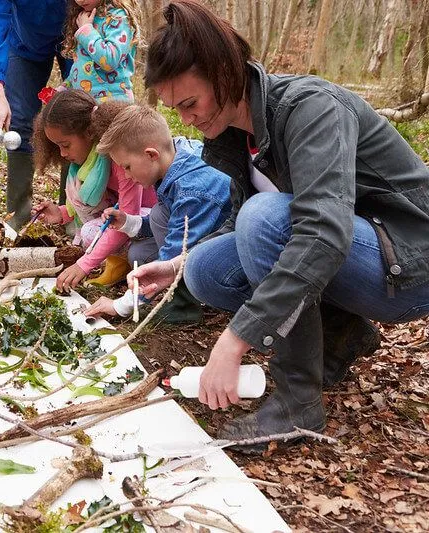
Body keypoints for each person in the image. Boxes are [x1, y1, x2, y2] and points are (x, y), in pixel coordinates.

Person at [132, 0, 429, 451]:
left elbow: (321, 232)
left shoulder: (311, 108)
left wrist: (235, 341)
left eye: (191, 103)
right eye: (177, 109)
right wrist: (178, 263)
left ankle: (297, 407)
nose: (186, 119)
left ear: (226, 72)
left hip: (411, 262)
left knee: (264, 219)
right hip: (363, 253)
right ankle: (341, 332)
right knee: (207, 268)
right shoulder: (232, 137)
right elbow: (239, 228)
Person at [84, 104, 231, 324]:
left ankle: (182, 305)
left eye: (127, 167)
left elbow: (176, 251)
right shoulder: (173, 158)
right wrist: (128, 222)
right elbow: (170, 220)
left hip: (227, 257)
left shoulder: (192, 190)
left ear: (151, 154)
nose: (126, 175)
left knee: (159, 217)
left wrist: (121, 306)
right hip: (204, 238)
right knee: (142, 248)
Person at [31, 90, 156, 291]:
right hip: (135, 220)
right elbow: (102, 206)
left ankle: (132, 260)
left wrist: (85, 264)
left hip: (153, 219)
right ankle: (122, 261)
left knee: (91, 232)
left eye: (65, 145)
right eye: (57, 147)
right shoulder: (87, 164)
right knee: (93, 231)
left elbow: (126, 218)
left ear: (89, 132)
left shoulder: (118, 159)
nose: (62, 154)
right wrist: (62, 212)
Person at [0, 0, 70, 229]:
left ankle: (72, 213)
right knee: (19, 119)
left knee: (77, 117)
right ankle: (18, 215)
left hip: (82, 34)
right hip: (26, 42)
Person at [62, 0, 140, 102]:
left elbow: (110, 61)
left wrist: (86, 30)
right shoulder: (84, 17)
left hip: (114, 102)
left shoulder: (118, 17)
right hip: (87, 103)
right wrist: (65, 87)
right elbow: (82, 66)